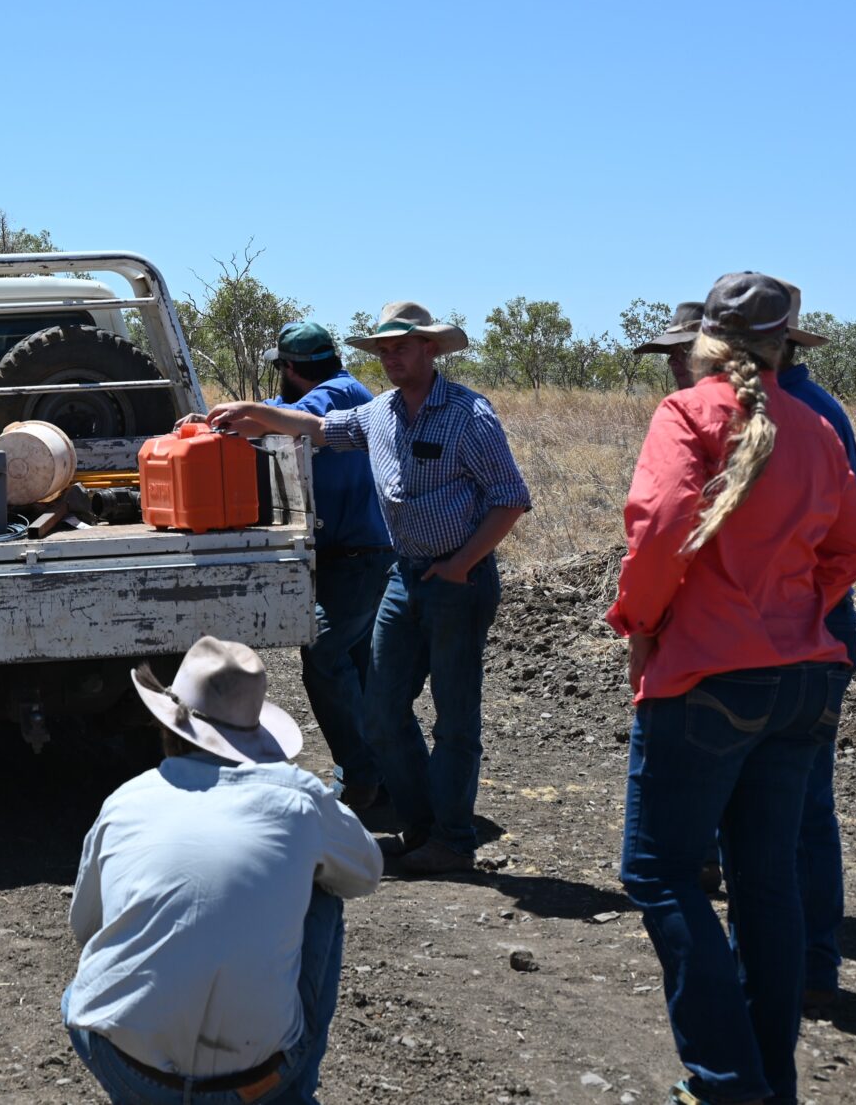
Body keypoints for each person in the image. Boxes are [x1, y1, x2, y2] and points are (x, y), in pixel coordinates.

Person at [606, 272, 856, 1105]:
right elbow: (851, 549)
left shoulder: (688, 414)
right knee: (767, 880)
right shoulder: (816, 427)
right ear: (787, 345)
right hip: (805, 680)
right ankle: (765, 1083)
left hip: (706, 676)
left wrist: (641, 624)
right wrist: (794, 612)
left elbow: (658, 531)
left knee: (659, 872)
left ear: (703, 344)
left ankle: (725, 1083)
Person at [208, 301, 532, 876]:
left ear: (431, 350)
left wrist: (462, 562)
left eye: (401, 347)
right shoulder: (379, 412)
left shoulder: (467, 413)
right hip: (403, 576)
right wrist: (254, 413)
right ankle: (421, 828)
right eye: (383, 350)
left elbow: (510, 496)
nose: (390, 358)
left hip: (458, 580)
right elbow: (314, 427)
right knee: (383, 712)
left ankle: (452, 839)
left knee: (455, 717)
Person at [64, 637, 382, 1105]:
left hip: (130, 1070)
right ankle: (293, 1093)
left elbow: (84, 928)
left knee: (84, 989)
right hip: (252, 1081)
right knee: (323, 894)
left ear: (168, 724)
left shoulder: (127, 799)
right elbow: (366, 872)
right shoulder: (297, 797)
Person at [180, 322, 393, 808]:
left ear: (290, 369)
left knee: (323, 655)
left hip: (361, 557)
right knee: (360, 665)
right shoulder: (343, 389)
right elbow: (276, 424)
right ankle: (383, 775)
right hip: (355, 555)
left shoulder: (338, 395)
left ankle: (361, 776)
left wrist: (249, 413)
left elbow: (295, 419)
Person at [770, 282, 856, 1014]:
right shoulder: (806, 405)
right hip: (812, 624)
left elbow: (841, 542)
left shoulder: (802, 413)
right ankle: (799, 963)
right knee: (796, 802)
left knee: (800, 804)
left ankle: (809, 966)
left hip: (805, 632)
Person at [632, 302, 705, 391]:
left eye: (685, 349)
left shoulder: (674, 404)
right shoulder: (678, 404)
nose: (671, 361)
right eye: (672, 352)